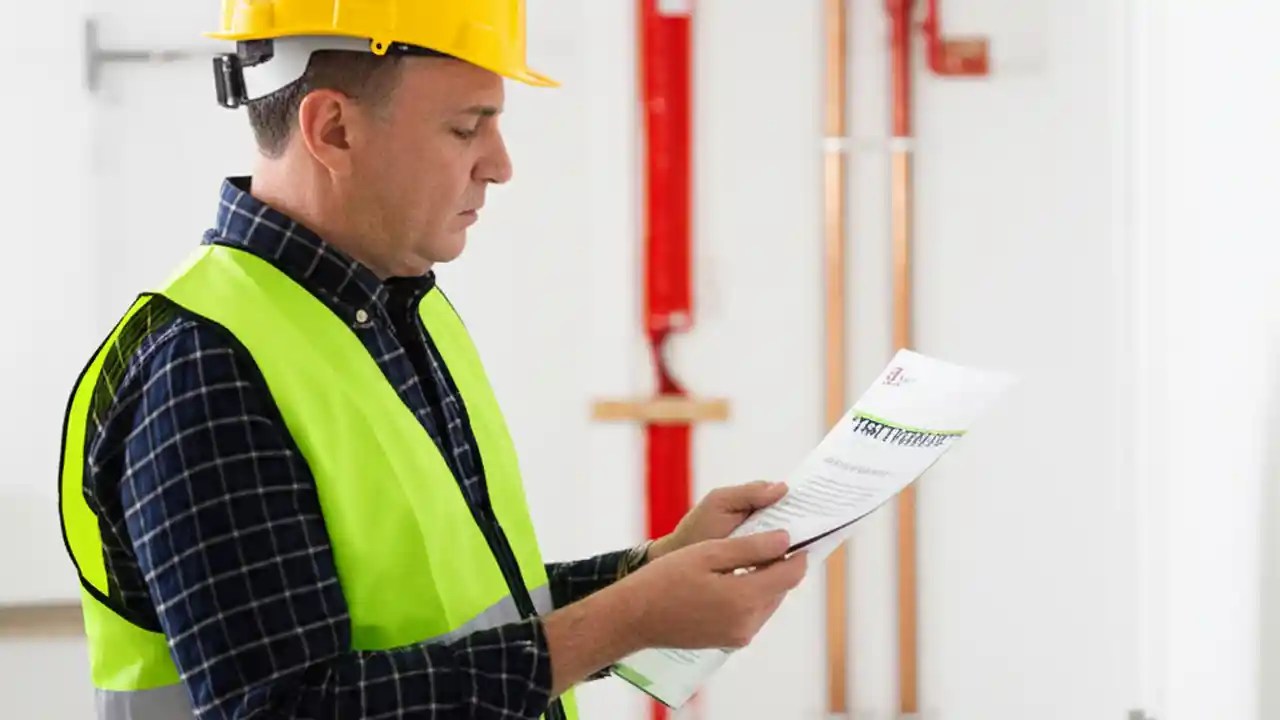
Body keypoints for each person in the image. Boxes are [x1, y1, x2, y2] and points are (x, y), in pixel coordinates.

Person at [58, 2, 807, 718]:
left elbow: (463, 613)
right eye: (465, 128)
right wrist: (622, 622)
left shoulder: (398, 307)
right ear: (334, 129)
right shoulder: (204, 368)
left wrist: (652, 571)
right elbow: (286, 707)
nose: (500, 165)